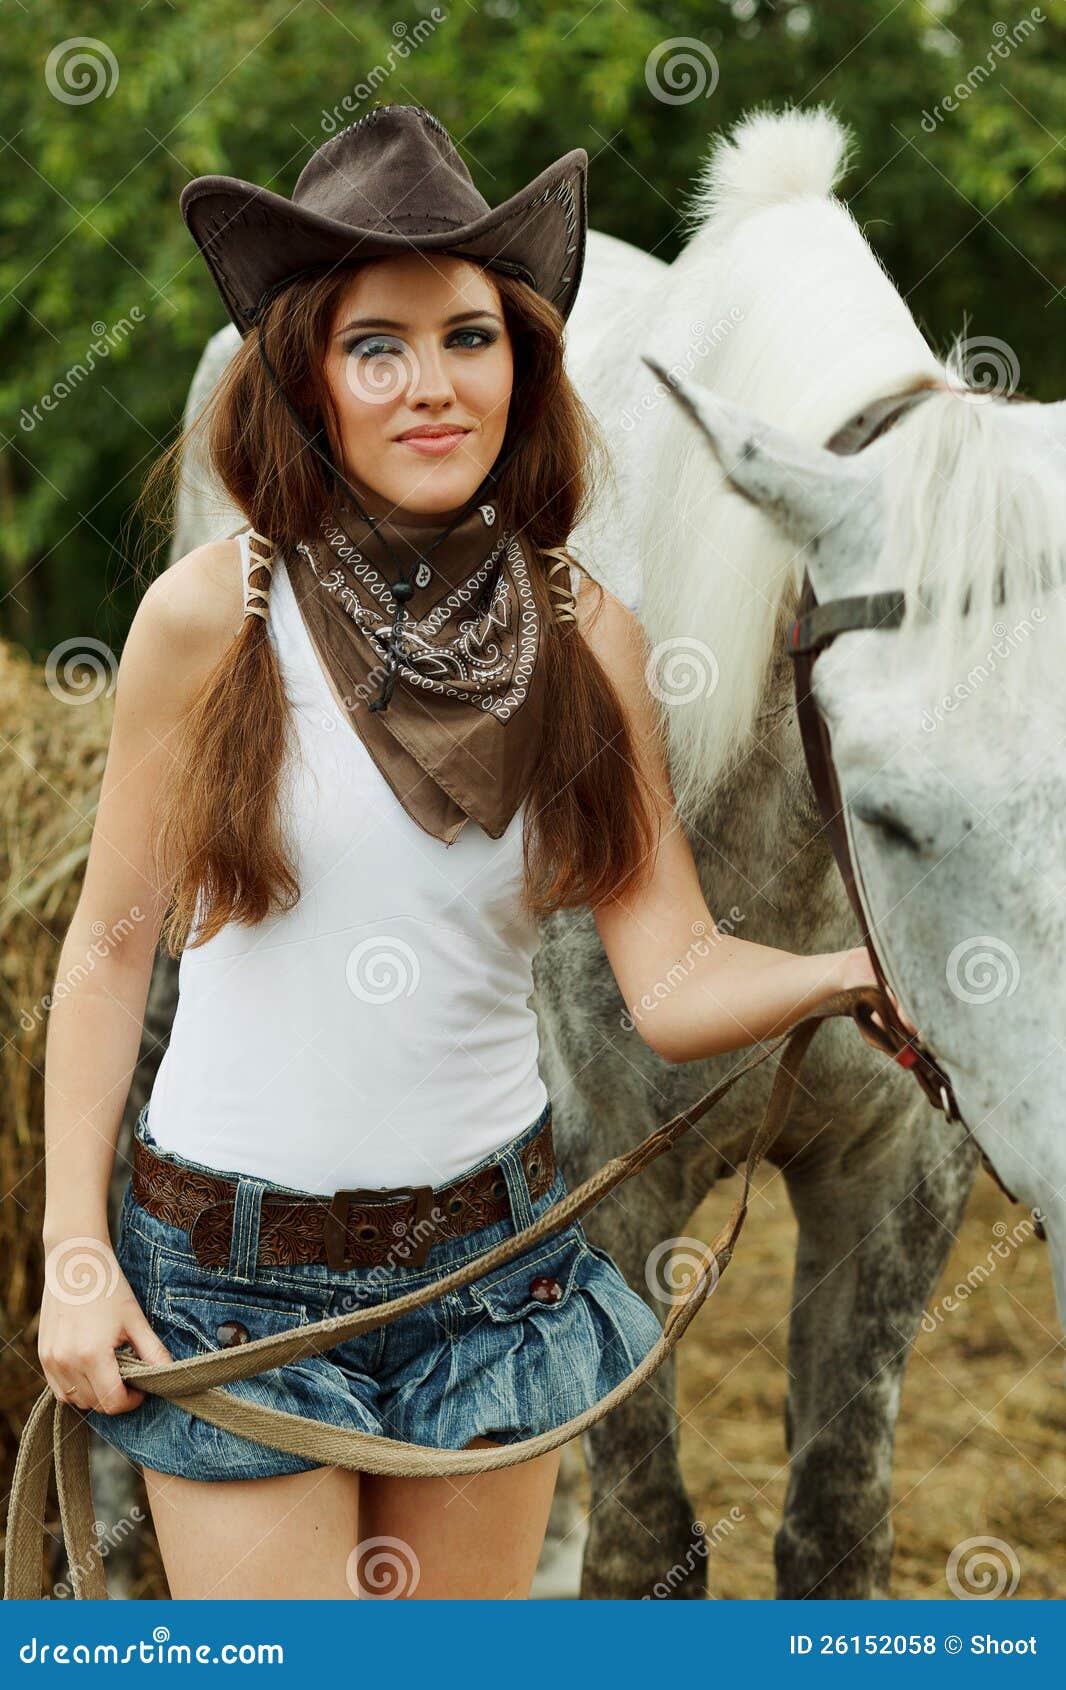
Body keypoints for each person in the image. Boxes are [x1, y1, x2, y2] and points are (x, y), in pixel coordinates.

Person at [37, 104, 909, 1601]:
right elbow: (113, 949)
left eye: (471, 337)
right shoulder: (211, 614)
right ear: (306, 371)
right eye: (378, 344)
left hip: (493, 1277)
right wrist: (71, 1247)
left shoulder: (586, 636)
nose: (431, 385)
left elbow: (674, 970)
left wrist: (857, 967)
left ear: (523, 363)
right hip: (240, 1281)